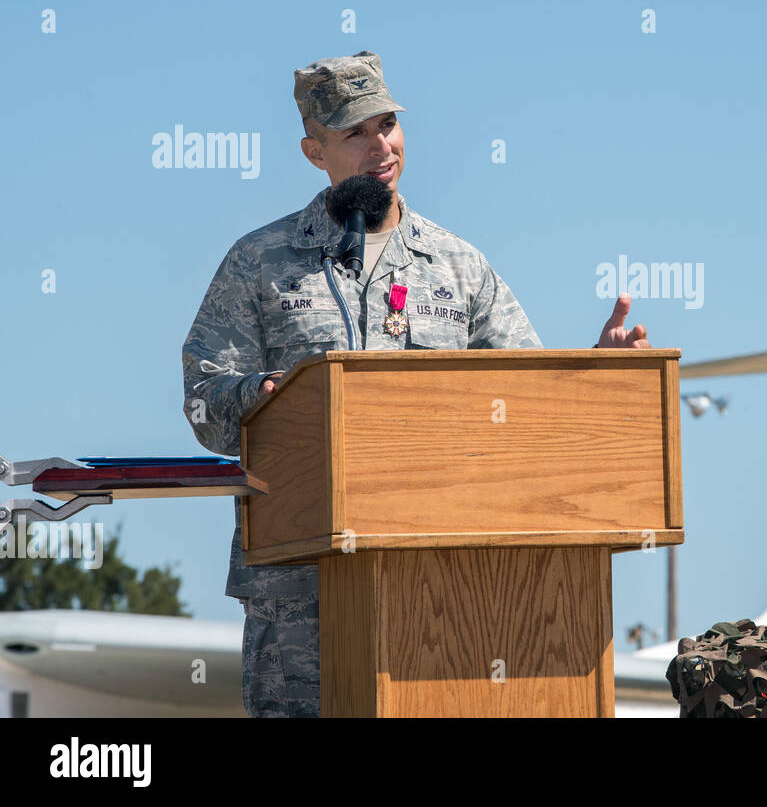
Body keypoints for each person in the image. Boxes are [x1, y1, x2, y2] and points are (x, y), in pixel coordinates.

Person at [181, 50, 650, 717]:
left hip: (446, 598)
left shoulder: (457, 265)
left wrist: (599, 376)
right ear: (315, 151)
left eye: (389, 123)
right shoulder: (261, 261)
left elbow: (529, 401)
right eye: (356, 132)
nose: (382, 145)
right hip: (299, 599)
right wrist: (260, 398)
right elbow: (203, 398)